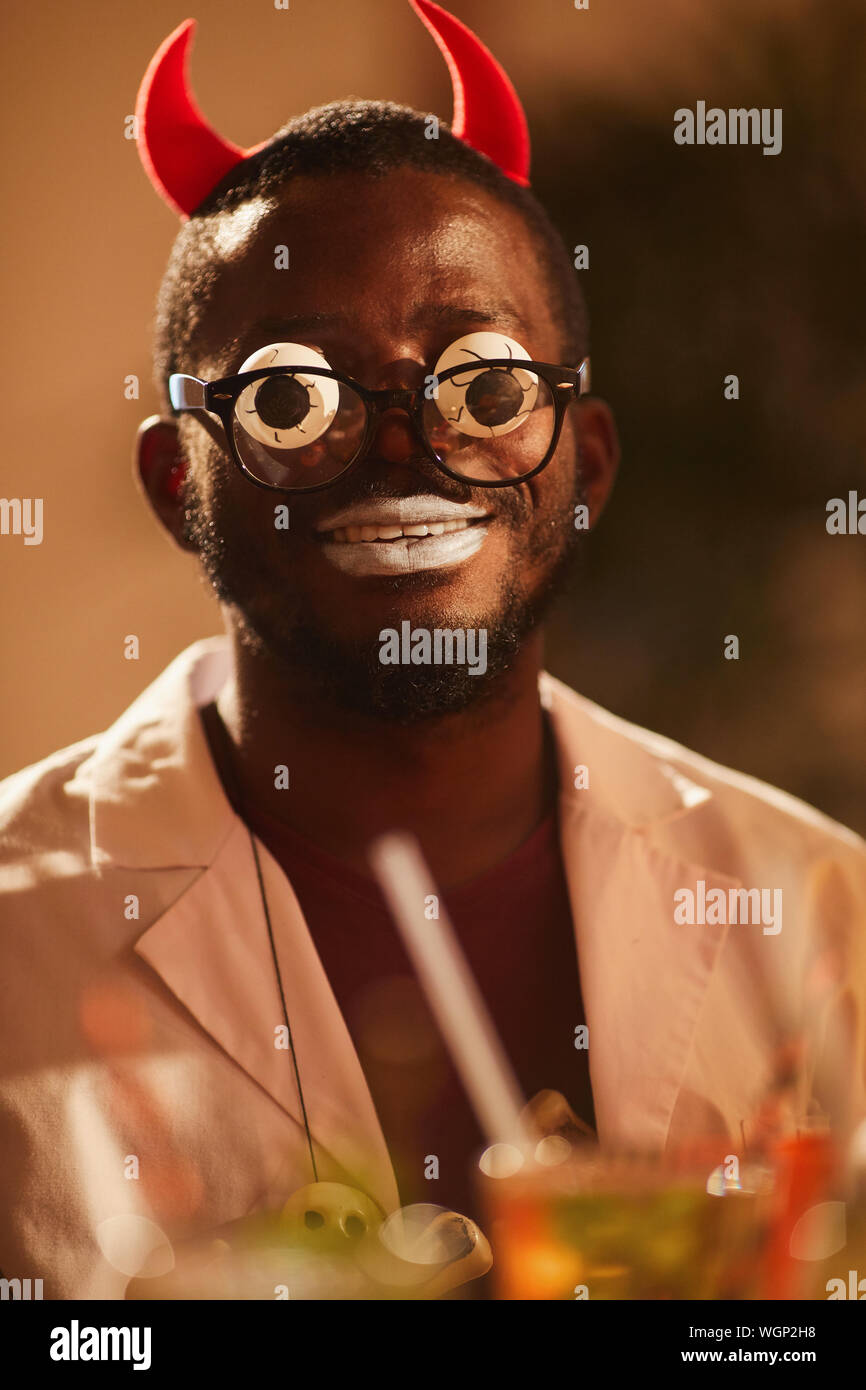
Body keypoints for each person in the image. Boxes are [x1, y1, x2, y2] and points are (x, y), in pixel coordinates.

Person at [1, 2, 864, 1301]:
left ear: (585, 462)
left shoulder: (820, 916)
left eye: (486, 387)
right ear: (177, 479)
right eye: (293, 397)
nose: (405, 452)